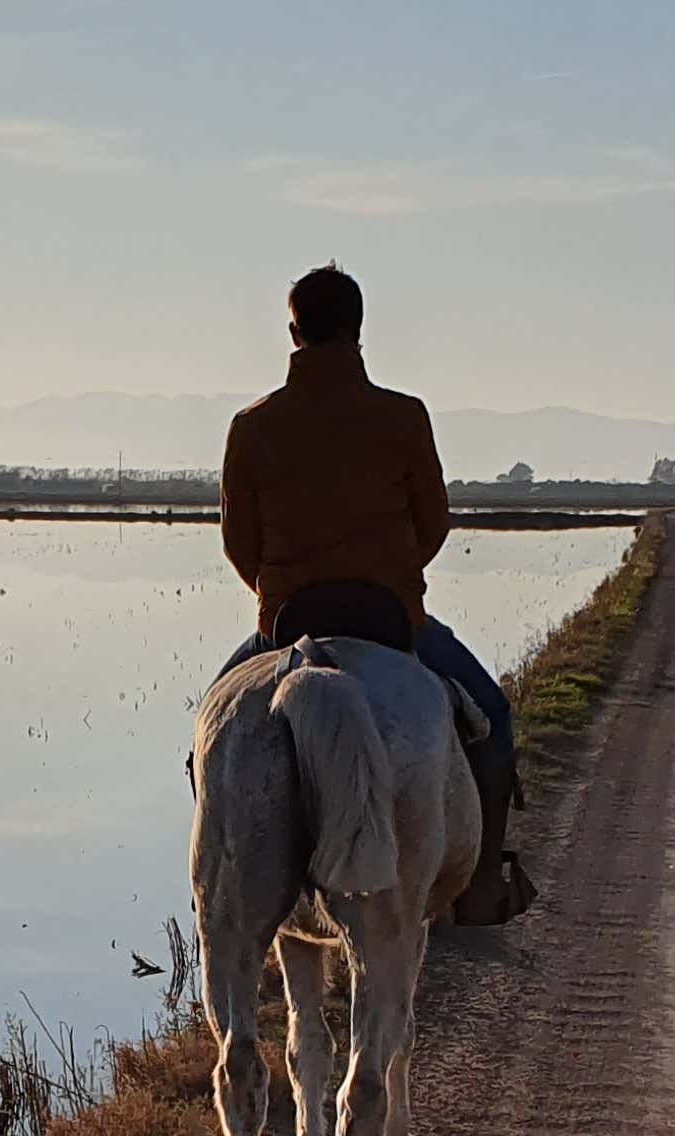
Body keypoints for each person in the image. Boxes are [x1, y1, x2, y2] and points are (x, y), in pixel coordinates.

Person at [216, 263, 530, 925]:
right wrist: (391, 579)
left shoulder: (253, 425)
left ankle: (227, 884)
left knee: (212, 737)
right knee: (494, 722)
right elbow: (433, 524)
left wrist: (278, 597)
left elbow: (239, 544)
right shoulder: (403, 417)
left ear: (293, 332)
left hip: (287, 626)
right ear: (359, 330)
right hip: (393, 620)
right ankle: (478, 888)